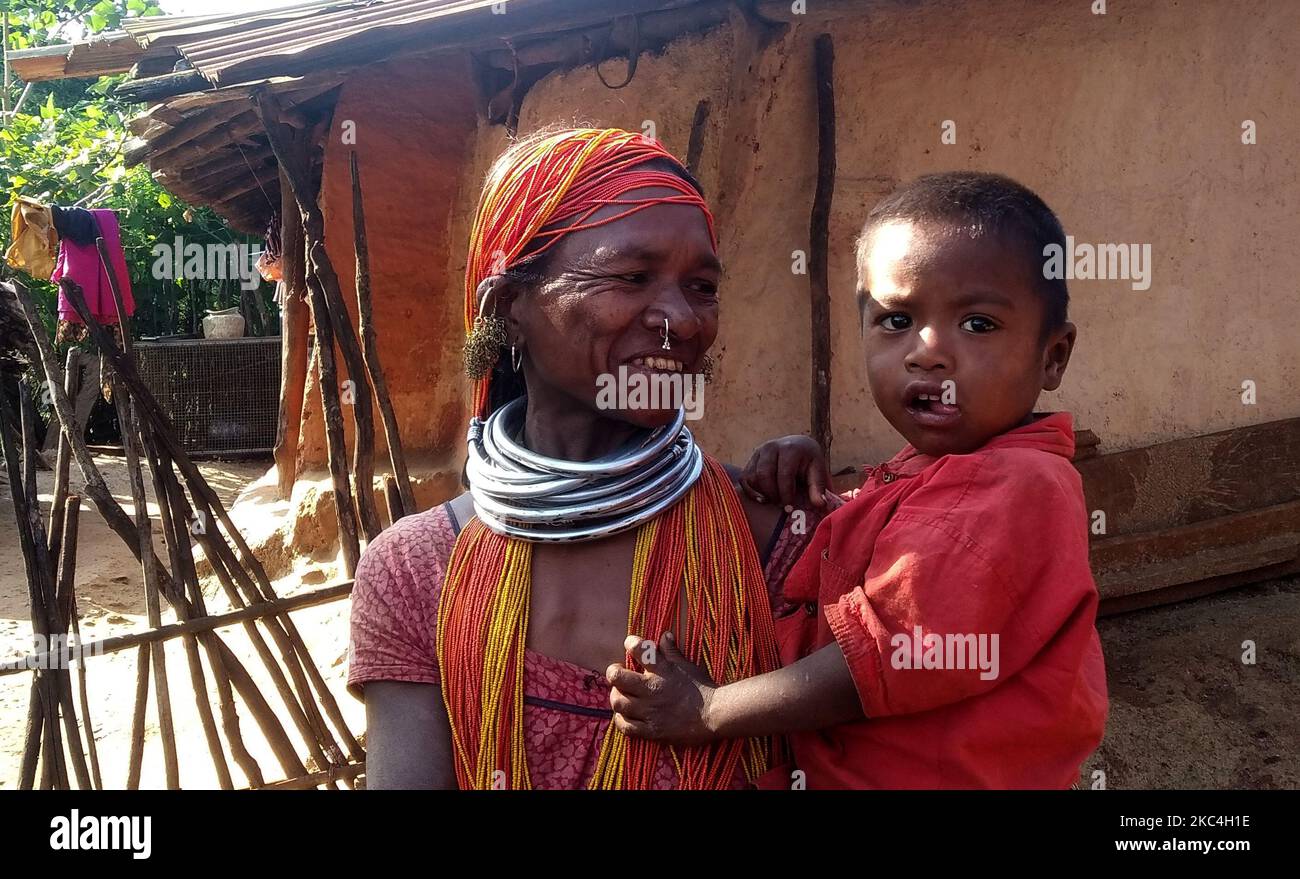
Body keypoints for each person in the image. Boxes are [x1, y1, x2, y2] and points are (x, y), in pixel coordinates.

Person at [347, 127, 825, 789]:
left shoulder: (776, 534)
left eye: (703, 287)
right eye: (632, 277)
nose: (683, 321)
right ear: (510, 308)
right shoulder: (415, 570)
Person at [608, 171, 1109, 789]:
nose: (927, 351)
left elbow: (878, 658)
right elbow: (892, 540)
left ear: (1052, 356)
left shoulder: (1019, 487)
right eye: (896, 321)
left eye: (978, 324)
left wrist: (710, 711)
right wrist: (809, 472)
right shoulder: (944, 468)